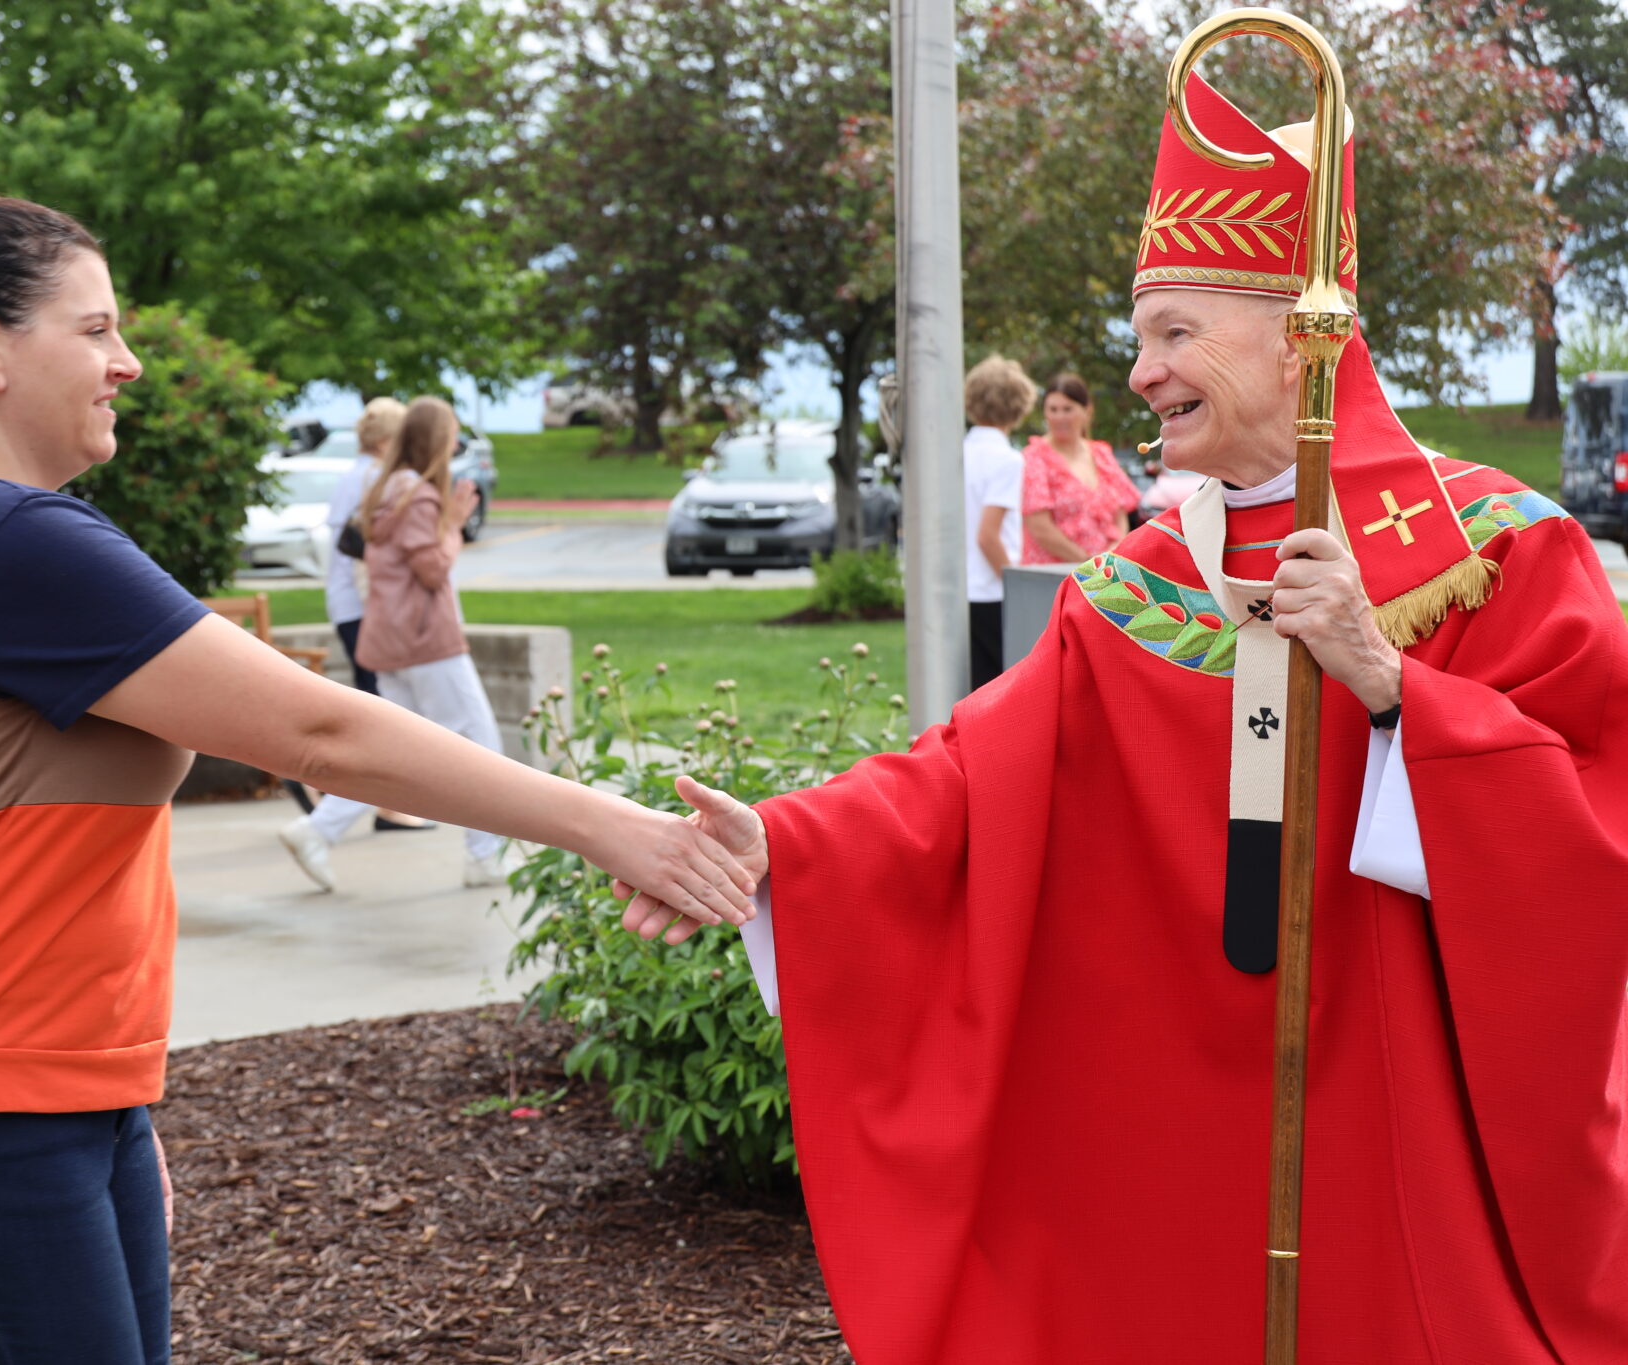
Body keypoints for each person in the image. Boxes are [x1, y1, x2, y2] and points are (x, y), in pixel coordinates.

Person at [619, 72, 1628, 1363]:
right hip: (1183, 1169)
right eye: (1140, 337)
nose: (1139, 374)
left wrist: (1390, 688)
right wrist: (783, 851)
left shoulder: (1496, 551)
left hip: (1404, 1163)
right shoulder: (1137, 592)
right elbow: (960, 787)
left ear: (1299, 333)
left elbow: (1592, 841)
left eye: (1173, 333)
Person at [0, 181, 754, 1365]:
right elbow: (323, 736)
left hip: (37, 1076)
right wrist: (621, 830)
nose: (127, 362)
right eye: (95, 330)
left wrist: (110, 1095)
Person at [305, 394, 507, 888]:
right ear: (436, 441)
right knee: (482, 744)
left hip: (390, 638)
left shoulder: (387, 488)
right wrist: (455, 527)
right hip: (425, 641)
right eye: (452, 433)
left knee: (390, 755)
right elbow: (433, 570)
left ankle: (315, 831)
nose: (457, 442)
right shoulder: (417, 495)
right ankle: (484, 856)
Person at [277, 398, 432, 871]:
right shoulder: (374, 479)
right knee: (383, 715)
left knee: (382, 707)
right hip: (369, 609)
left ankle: (382, 808)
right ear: (388, 439)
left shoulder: (355, 476)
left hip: (351, 606)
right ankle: (333, 809)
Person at [960, 354, 1035, 689]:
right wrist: (1014, 587)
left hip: (959, 589)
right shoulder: (1006, 460)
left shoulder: (957, 451)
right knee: (1000, 689)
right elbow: (988, 535)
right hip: (991, 591)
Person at [1019, 371, 1139, 563]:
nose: (1059, 417)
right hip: (1053, 575)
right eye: (1053, 409)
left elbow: (1120, 514)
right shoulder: (1034, 456)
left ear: (1087, 411)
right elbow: (1039, 526)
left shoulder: (1101, 454)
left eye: (1067, 409)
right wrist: (1087, 564)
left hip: (1104, 575)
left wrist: (1112, 554)